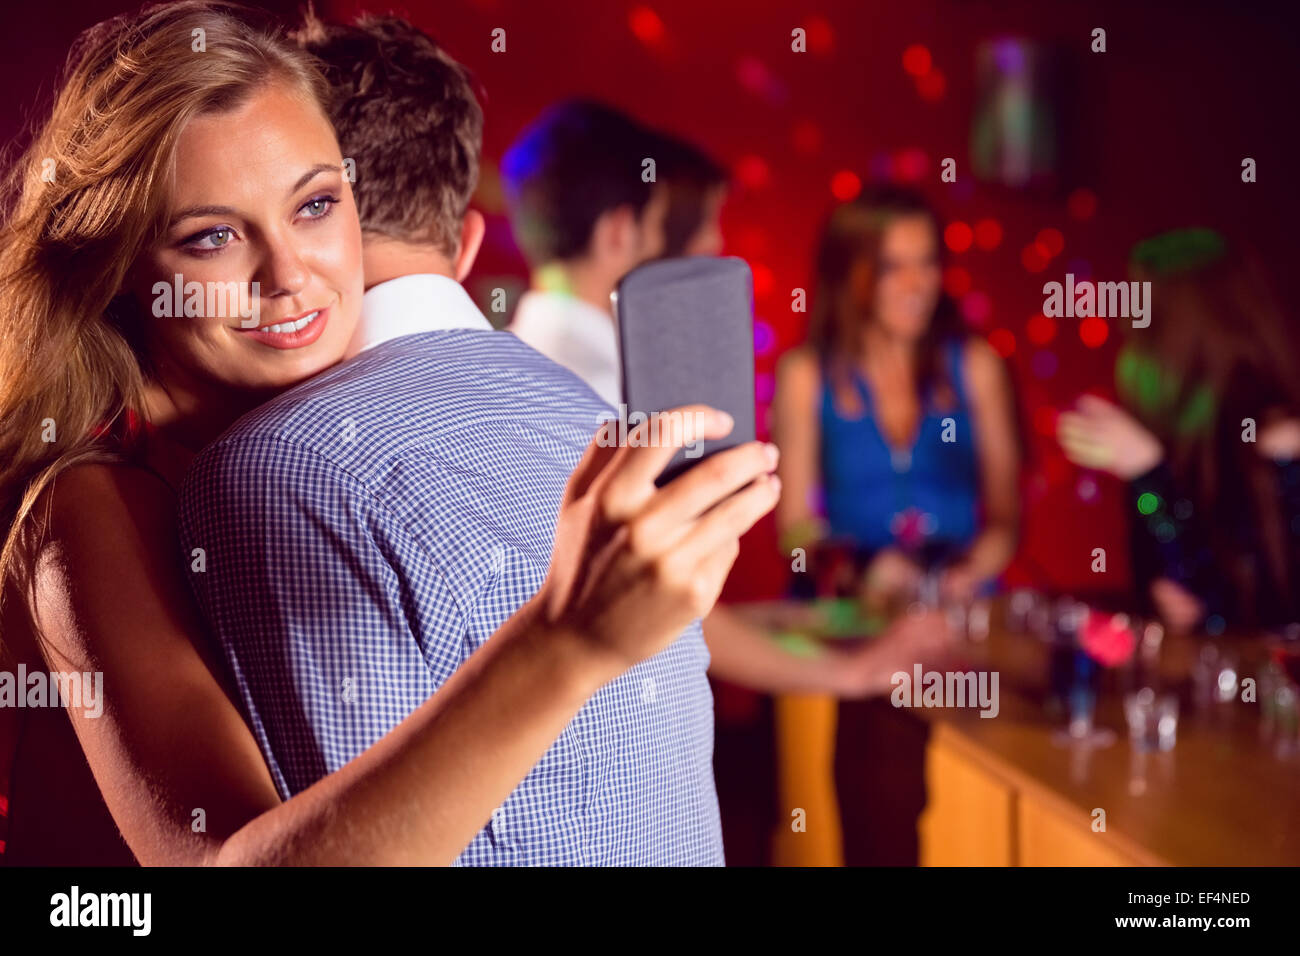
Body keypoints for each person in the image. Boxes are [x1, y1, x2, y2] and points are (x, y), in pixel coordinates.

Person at [0, 2, 775, 866]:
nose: (291, 275)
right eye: (212, 237)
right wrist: (565, 645)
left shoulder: (348, 443)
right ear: (117, 273)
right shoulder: (87, 502)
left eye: (315, 205)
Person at [502, 103, 956, 701]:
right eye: (665, 224)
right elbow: (668, 605)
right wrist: (850, 673)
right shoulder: (608, 405)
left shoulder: (506, 366)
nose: (701, 247)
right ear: (619, 232)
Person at [771, 186, 1020, 865]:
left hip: (959, 623)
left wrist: (968, 574)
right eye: (892, 265)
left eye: (928, 262)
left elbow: (1005, 518)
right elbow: (793, 528)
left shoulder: (974, 367)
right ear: (849, 273)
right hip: (857, 626)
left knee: (988, 789)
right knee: (878, 794)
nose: (918, 283)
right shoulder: (806, 375)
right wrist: (861, 572)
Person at [1058, 228, 1300, 634]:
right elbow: (1189, 586)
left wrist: (1149, 472)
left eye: (1143, 315)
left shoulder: (1283, 444)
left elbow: (1264, 618)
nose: (1126, 331)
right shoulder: (1179, 434)